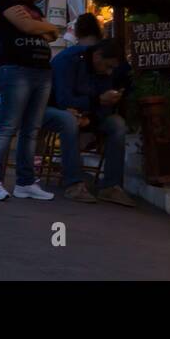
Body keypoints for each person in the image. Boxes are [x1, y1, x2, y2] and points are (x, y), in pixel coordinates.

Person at [0, 0, 58, 202]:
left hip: (41, 70)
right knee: (7, 127)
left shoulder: (30, 7)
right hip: (16, 69)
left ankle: (25, 182)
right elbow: (28, 26)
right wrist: (44, 27)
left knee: (31, 130)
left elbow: (50, 33)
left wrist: (43, 27)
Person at [41, 23, 136, 206]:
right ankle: (74, 183)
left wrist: (94, 113)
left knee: (117, 124)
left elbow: (104, 100)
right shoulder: (69, 60)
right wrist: (97, 102)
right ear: (97, 56)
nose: (108, 72)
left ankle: (111, 186)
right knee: (68, 120)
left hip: (88, 113)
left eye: (112, 69)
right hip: (53, 109)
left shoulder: (108, 70)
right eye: (107, 67)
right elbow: (63, 99)